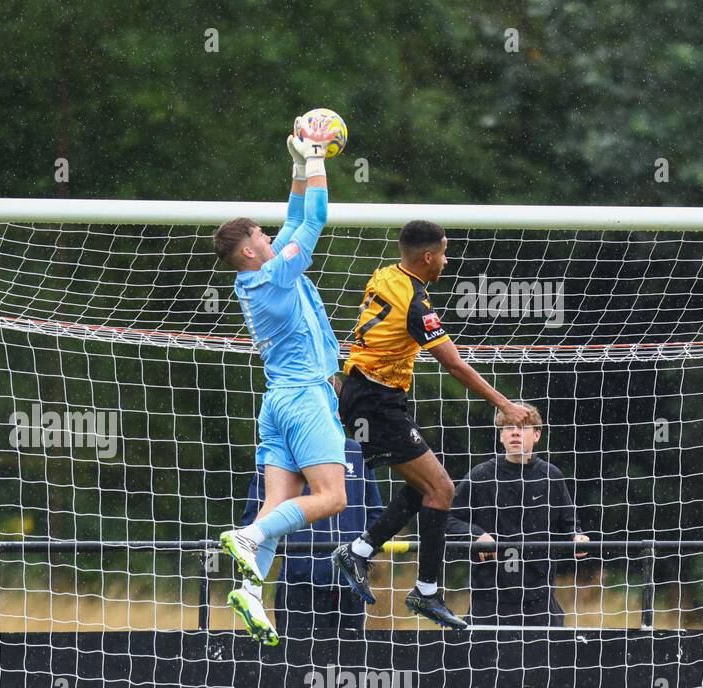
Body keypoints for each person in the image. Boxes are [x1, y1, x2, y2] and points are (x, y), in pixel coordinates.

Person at [330, 220, 533, 630]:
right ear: (427, 257)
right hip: (376, 400)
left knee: (423, 487)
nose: (446, 260)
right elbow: (455, 365)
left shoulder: (386, 274)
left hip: (365, 394)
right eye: (442, 253)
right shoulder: (416, 305)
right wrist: (505, 405)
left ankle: (361, 551)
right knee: (442, 489)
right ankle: (425, 592)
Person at [213, 112, 348, 645]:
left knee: (275, 507)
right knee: (332, 497)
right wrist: (317, 162)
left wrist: (296, 165)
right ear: (250, 250)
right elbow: (312, 222)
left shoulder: (263, 274)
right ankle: (247, 538)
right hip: (304, 399)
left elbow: (293, 219)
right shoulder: (272, 277)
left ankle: (249, 591)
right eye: (260, 234)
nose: (270, 235)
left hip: (278, 403)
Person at [447, 402, 589, 627]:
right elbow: (449, 518)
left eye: (522, 427)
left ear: (537, 435)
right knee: (482, 660)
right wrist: (476, 534)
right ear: (501, 436)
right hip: (489, 598)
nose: (514, 432)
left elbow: (570, 525)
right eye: (508, 427)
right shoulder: (480, 475)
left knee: (546, 660)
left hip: (540, 599)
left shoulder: (552, 476)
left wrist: (578, 538)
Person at [241, 438, 384, 635]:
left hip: (351, 588)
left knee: (350, 662)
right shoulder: (283, 450)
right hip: (299, 585)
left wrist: (361, 555)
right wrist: (296, 555)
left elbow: (375, 514)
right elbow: (254, 517)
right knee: (297, 662)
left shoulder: (356, 452)